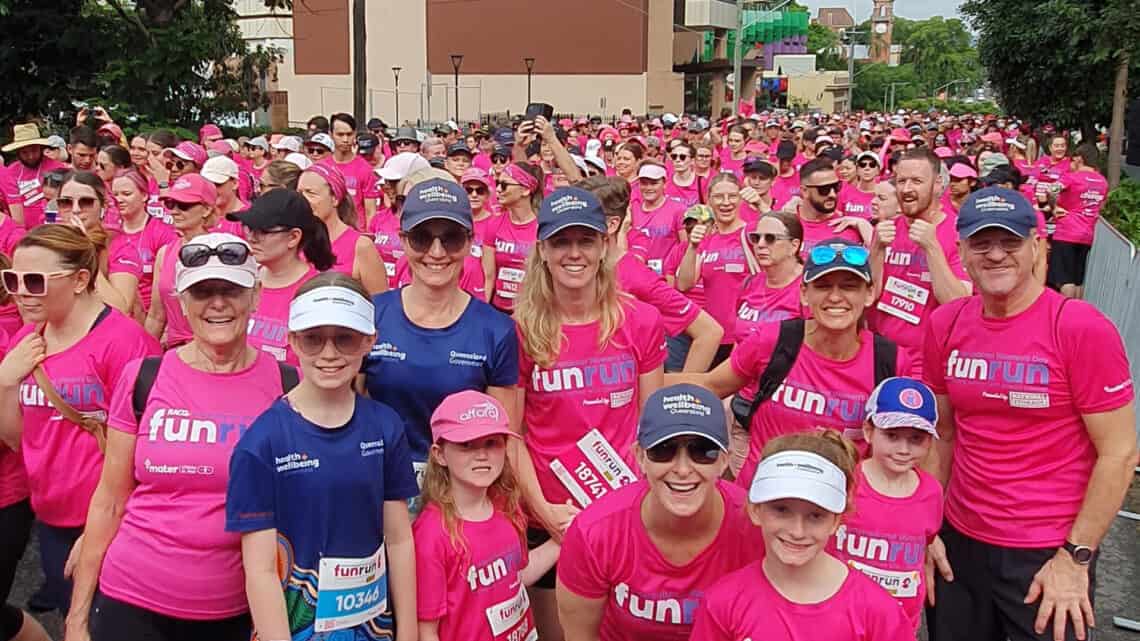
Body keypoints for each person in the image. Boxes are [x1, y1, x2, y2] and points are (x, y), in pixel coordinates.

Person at [922, 187, 1138, 641]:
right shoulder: (947, 324)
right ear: (961, 250)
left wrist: (1075, 557)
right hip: (961, 542)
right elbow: (942, 434)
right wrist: (926, 528)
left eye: (1011, 242)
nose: (996, 254)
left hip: (1046, 551)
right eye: (981, 243)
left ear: (1037, 245)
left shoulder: (1079, 327)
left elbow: (1119, 453)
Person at [66, 233, 291, 641]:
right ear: (183, 304)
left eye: (231, 290)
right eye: (202, 292)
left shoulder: (286, 384)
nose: (217, 303)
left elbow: (295, 509)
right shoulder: (144, 378)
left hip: (234, 608)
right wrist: (77, 617)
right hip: (130, 598)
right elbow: (111, 498)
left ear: (255, 296)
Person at [228, 272, 417, 641]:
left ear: (370, 341)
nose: (329, 354)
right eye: (313, 340)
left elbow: (398, 539)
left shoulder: (385, 427)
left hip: (371, 628)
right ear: (292, 341)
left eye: (345, 339)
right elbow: (261, 570)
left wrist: (408, 633)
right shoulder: (262, 443)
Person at [513, 186, 666, 641]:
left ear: (604, 245)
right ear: (542, 249)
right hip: (548, 519)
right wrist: (547, 511)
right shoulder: (519, 331)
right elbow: (511, 433)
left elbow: (651, 429)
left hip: (622, 515)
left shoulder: (640, 322)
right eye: (561, 242)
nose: (574, 253)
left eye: (585, 241)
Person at [0, 224, 160, 617]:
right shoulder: (28, 338)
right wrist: (5, 380)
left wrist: (101, 530)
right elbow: (19, 439)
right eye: (12, 279)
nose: (21, 290)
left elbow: (147, 453)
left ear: (80, 280)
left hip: (115, 523)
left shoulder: (126, 344)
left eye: (35, 280)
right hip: (51, 518)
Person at [671, 238, 906, 485]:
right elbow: (710, 385)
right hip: (761, 503)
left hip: (834, 508)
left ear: (869, 294)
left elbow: (903, 446)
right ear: (804, 294)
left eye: (849, 287)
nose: (835, 297)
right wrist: (643, 380)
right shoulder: (773, 340)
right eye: (823, 286)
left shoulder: (890, 361)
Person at [556, 384, 763, 641]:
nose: (683, 469)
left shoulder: (758, 526)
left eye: (703, 451)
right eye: (663, 450)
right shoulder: (595, 532)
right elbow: (580, 636)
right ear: (640, 457)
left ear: (724, 460)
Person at [360, 178, 518, 491]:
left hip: (459, 493)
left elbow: (503, 436)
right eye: (421, 238)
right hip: (378, 486)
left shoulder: (496, 329)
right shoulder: (371, 315)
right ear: (403, 240)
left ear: (470, 242)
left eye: (451, 238)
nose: (436, 252)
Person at [689, 431, 914, 641]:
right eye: (781, 510)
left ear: (836, 520)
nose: (797, 531)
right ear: (755, 510)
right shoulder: (724, 603)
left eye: (815, 515)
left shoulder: (877, 611)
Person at [414, 390, 558, 641]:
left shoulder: (507, 507)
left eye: (492, 443)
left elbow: (516, 575)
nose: (481, 455)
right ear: (439, 454)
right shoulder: (432, 534)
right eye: (466, 445)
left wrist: (561, 539)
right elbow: (427, 630)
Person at [829, 377, 943, 632]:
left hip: (900, 624)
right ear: (868, 432)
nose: (903, 449)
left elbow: (926, 540)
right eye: (891, 435)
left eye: (916, 438)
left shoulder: (932, 492)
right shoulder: (846, 483)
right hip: (843, 620)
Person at [579, 176, 723, 374]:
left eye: (581, 218)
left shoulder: (637, 276)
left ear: (611, 224)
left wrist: (680, 392)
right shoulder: (571, 268)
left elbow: (710, 332)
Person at [869, 148, 971, 376]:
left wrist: (931, 247)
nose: (906, 189)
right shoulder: (887, 230)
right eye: (901, 181)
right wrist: (876, 248)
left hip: (927, 366)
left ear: (937, 185)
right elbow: (869, 296)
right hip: (880, 358)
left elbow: (958, 305)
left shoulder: (958, 233)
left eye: (916, 181)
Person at [227, 189, 337, 364]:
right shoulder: (242, 280)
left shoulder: (319, 293)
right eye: (250, 229)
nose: (252, 238)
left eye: (263, 231)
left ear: (293, 237)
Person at [677, 173, 753, 367]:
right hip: (714, 337)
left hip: (746, 338)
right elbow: (684, 284)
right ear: (709, 200)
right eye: (719, 197)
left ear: (740, 199)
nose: (726, 202)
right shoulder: (707, 240)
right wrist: (692, 247)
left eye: (732, 196)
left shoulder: (752, 234)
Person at [145, 175, 220, 348]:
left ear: (207, 209)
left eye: (184, 205)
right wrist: (144, 357)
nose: (174, 211)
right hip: (174, 353)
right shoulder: (165, 253)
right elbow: (156, 315)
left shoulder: (221, 252)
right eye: (171, 204)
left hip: (212, 351)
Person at [296, 164, 389, 295]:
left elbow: (380, 305)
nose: (303, 200)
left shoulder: (360, 246)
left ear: (334, 199)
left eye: (311, 193)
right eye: (299, 193)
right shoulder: (294, 241)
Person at [54, 172, 137, 315]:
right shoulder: (50, 243)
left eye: (86, 202)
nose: (75, 209)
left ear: (103, 205)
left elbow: (121, 308)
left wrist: (84, 251)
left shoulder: (120, 245)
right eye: (66, 202)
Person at [109, 169, 177, 318]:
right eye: (115, 194)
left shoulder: (162, 233)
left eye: (126, 194)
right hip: (115, 312)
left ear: (145, 195)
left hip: (151, 314)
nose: (119, 199)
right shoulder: (109, 233)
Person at [1048, 144, 1107, 299]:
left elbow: (1051, 190)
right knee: (1078, 279)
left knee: (1065, 279)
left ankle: (1066, 314)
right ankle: (1077, 313)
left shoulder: (1072, 177)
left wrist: (1054, 207)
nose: (1071, 164)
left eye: (1073, 160)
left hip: (1067, 232)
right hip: (1088, 234)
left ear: (1080, 159)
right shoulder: (1103, 182)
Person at [483, 162, 542, 313]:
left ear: (526, 190)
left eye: (504, 185)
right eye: (497, 183)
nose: (498, 189)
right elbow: (488, 277)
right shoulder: (494, 224)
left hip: (532, 311)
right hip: (499, 309)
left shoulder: (542, 227)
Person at [1, 123, 70, 228]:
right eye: (24, 152)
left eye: (34, 150)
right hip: (20, 235)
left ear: (41, 147)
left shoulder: (58, 169)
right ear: (17, 152)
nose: (31, 156)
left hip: (51, 231)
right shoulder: (10, 172)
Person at [629, 162, 686, 274]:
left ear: (664, 184)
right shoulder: (632, 209)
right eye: (644, 183)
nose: (648, 188)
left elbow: (685, 247)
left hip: (666, 278)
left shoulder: (678, 209)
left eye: (654, 183)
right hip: (639, 275)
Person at [838, 151, 879, 220]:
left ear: (878, 170)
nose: (867, 168)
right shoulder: (844, 193)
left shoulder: (883, 195)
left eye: (872, 165)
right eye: (862, 165)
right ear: (857, 170)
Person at [664, 141, 701, 207]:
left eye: (682, 157)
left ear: (692, 161)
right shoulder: (665, 183)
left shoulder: (701, 183)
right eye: (674, 156)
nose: (677, 160)